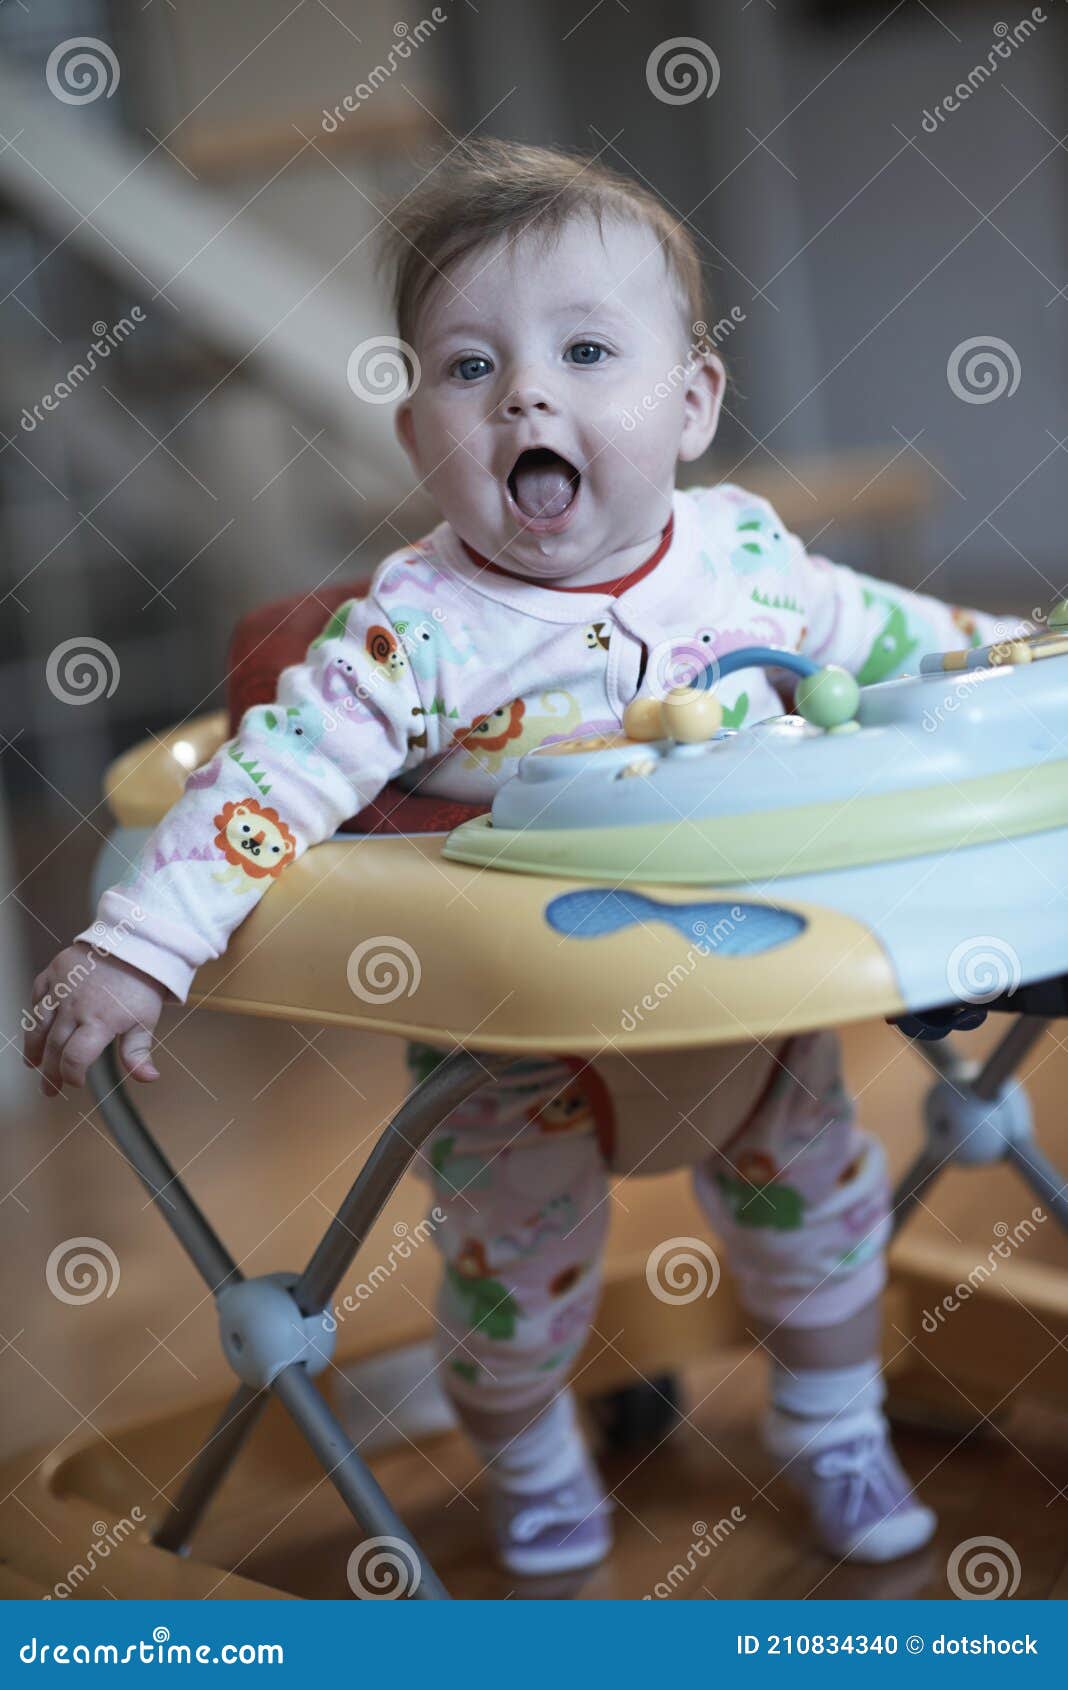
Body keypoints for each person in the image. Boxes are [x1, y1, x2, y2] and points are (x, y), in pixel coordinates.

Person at [24, 139, 1012, 1577]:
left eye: (586, 349)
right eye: (470, 368)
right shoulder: (414, 632)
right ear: (420, 435)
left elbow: (909, 639)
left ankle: (833, 1420)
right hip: (515, 1044)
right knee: (511, 1298)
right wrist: (140, 938)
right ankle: (537, 1461)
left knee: (825, 1231)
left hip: (759, 997)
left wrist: (1021, 671)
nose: (528, 393)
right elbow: (274, 781)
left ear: (689, 405)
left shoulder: (748, 561)